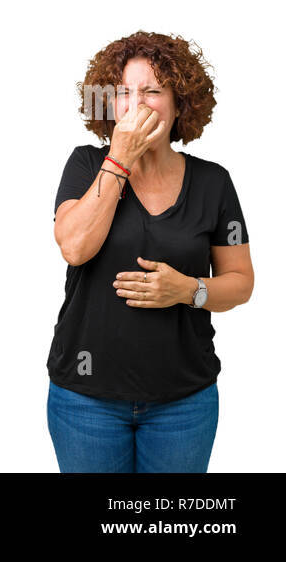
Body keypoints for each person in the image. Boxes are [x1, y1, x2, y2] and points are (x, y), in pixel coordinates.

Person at [48, 31, 253, 473]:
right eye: (123, 92)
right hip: (86, 400)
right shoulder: (85, 165)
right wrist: (119, 158)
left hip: (184, 403)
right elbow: (75, 247)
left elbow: (240, 283)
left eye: (152, 92)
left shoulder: (214, 182)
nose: (136, 104)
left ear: (181, 104)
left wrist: (189, 290)